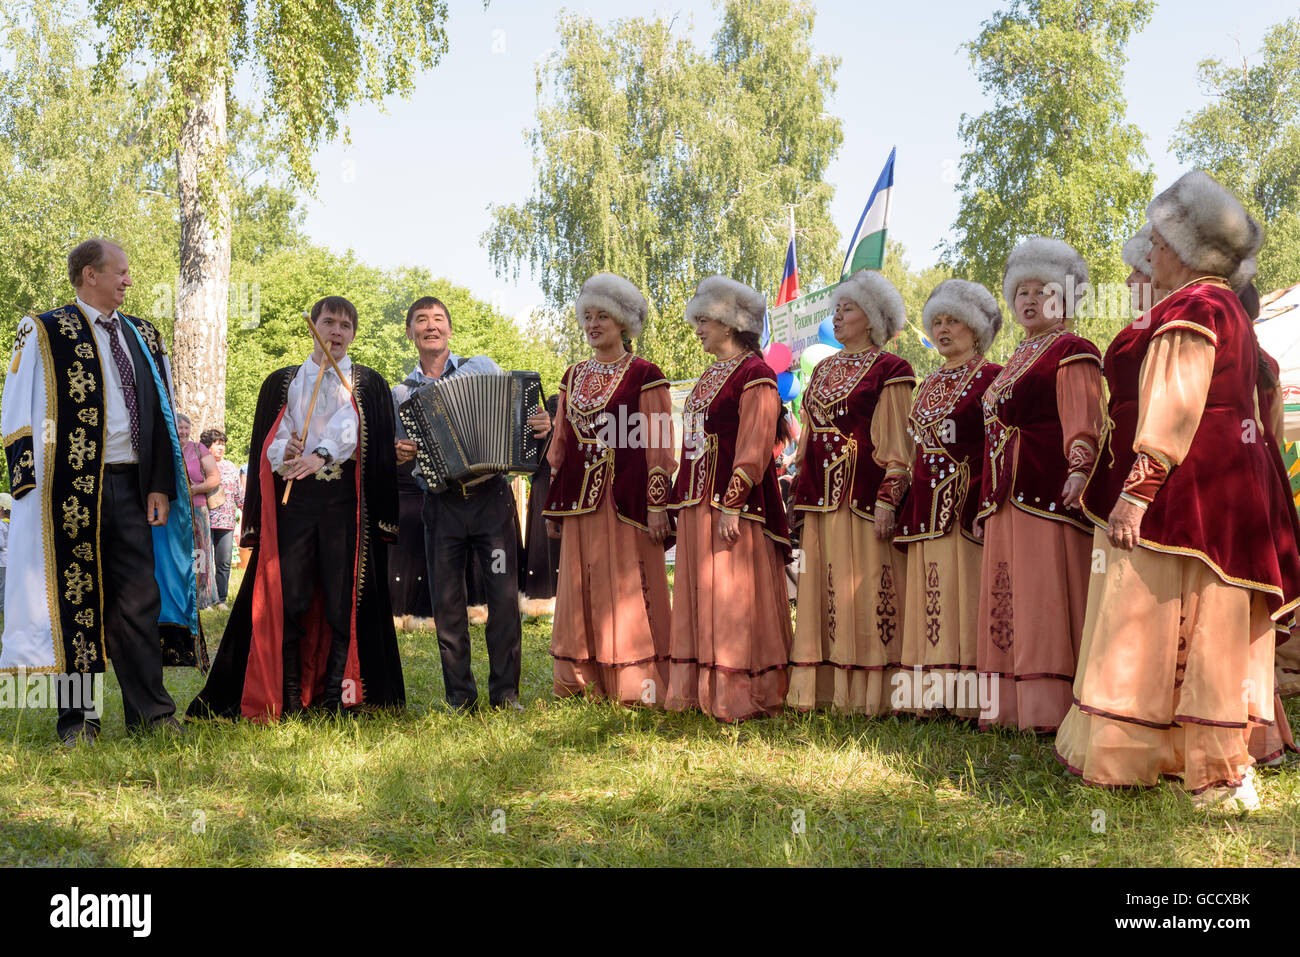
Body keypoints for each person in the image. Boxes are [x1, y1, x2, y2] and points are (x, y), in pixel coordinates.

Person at [1057, 171, 1300, 808]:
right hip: (1226, 485)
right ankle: (1190, 756)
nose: (1152, 251)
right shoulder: (1224, 306)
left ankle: (1218, 772)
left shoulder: (1194, 307)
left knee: (1178, 617)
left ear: (1186, 246)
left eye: (1161, 240)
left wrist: (1137, 491)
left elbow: (1174, 405)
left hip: (1191, 489)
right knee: (1201, 617)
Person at [1, 238, 203, 744]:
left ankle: (152, 716)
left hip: (132, 486)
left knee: (138, 598)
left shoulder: (143, 334)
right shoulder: (45, 330)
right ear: (90, 274)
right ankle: (77, 721)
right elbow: (15, 407)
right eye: (121, 272)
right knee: (76, 601)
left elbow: (161, 416)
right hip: (68, 491)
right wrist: (27, 486)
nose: (128, 281)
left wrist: (160, 485)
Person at [187, 295, 404, 720]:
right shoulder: (283, 382)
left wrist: (321, 452)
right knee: (293, 598)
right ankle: (287, 698)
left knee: (344, 601)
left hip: (346, 508)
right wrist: (287, 449)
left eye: (345, 325)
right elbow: (269, 441)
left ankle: (336, 698)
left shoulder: (366, 383)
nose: (336, 332)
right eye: (329, 323)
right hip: (296, 505)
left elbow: (357, 431)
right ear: (314, 327)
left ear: (353, 334)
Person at [393, 296, 551, 712]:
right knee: (447, 605)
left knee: (502, 598)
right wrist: (399, 452)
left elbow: (521, 412)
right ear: (410, 332)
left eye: (438, 319)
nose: (431, 326)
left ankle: (505, 694)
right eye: (421, 321)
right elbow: (393, 451)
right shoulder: (401, 393)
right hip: (441, 506)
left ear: (449, 329)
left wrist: (539, 423)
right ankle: (460, 697)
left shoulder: (480, 367)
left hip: (491, 503)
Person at [974, 237, 1104, 733]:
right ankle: (1010, 705)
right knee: (1010, 594)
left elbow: (1083, 415)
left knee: (1044, 592)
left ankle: (1051, 706)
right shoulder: (1015, 360)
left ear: (1066, 298)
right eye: (1021, 292)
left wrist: (1078, 465)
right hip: (1006, 493)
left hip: (1048, 490)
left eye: (1042, 291)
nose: (1029, 301)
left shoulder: (1073, 350)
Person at [786, 270, 916, 714]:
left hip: (863, 497)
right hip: (820, 498)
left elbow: (899, 441)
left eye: (848, 309)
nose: (838, 317)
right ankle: (825, 691)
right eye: (837, 309)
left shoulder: (892, 369)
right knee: (824, 588)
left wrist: (889, 495)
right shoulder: (821, 369)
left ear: (874, 317)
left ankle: (873, 695)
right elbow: (808, 438)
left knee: (867, 590)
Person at [665, 276, 793, 722]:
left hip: (731, 506)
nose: (697, 327)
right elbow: (693, 444)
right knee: (705, 594)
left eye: (704, 319)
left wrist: (733, 501)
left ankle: (741, 695)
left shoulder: (755, 373)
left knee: (733, 596)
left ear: (730, 322)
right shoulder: (709, 376)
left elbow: (756, 443)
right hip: (700, 502)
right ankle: (704, 691)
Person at [543, 274, 674, 705]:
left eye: (603, 316)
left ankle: (637, 685)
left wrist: (658, 505)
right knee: (581, 584)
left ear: (624, 323)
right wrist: (553, 506)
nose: (593, 324)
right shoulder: (572, 374)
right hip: (580, 501)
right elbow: (560, 444)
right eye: (587, 316)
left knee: (625, 585)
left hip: (627, 499)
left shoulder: (646, 375)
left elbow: (658, 442)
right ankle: (583, 681)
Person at [895, 279, 1004, 718]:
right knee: (933, 596)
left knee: (966, 593)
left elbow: (996, 447)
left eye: (952, 320)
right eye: (936, 321)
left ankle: (969, 701)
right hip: (925, 505)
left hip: (966, 504)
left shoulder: (993, 379)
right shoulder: (926, 385)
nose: (943, 329)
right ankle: (930, 696)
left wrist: (984, 499)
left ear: (975, 327)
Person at [520, 394, 563, 603]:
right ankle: (554, 594)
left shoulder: (538, 434)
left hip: (541, 492)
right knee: (553, 543)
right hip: (552, 490)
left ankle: (538, 596)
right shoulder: (560, 433)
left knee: (540, 541)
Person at [199, 427, 245, 610]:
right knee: (203, 561)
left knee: (224, 562)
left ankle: (222, 599)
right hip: (205, 519)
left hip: (226, 522)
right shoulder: (201, 465)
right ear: (207, 446)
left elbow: (238, 495)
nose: (221, 448)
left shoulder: (231, 466)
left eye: (223, 444)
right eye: (217, 444)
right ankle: (204, 599)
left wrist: (247, 511)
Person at [177, 413, 220, 610]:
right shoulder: (167, 447)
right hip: (174, 510)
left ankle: (202, 597)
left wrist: (194, 489)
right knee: (178, 552)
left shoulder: (198, 448)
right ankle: (180, 595)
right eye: (179, 427)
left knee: (199, 553)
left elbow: (214, 478)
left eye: (186, 428)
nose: (183, 432)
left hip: (197, 508)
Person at [0, 493, 11, 619]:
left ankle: (2, 609)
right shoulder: (9, 523)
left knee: (2, 587)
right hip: (7, 561)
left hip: (1, 562)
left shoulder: (0, 524)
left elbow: (1, 543)